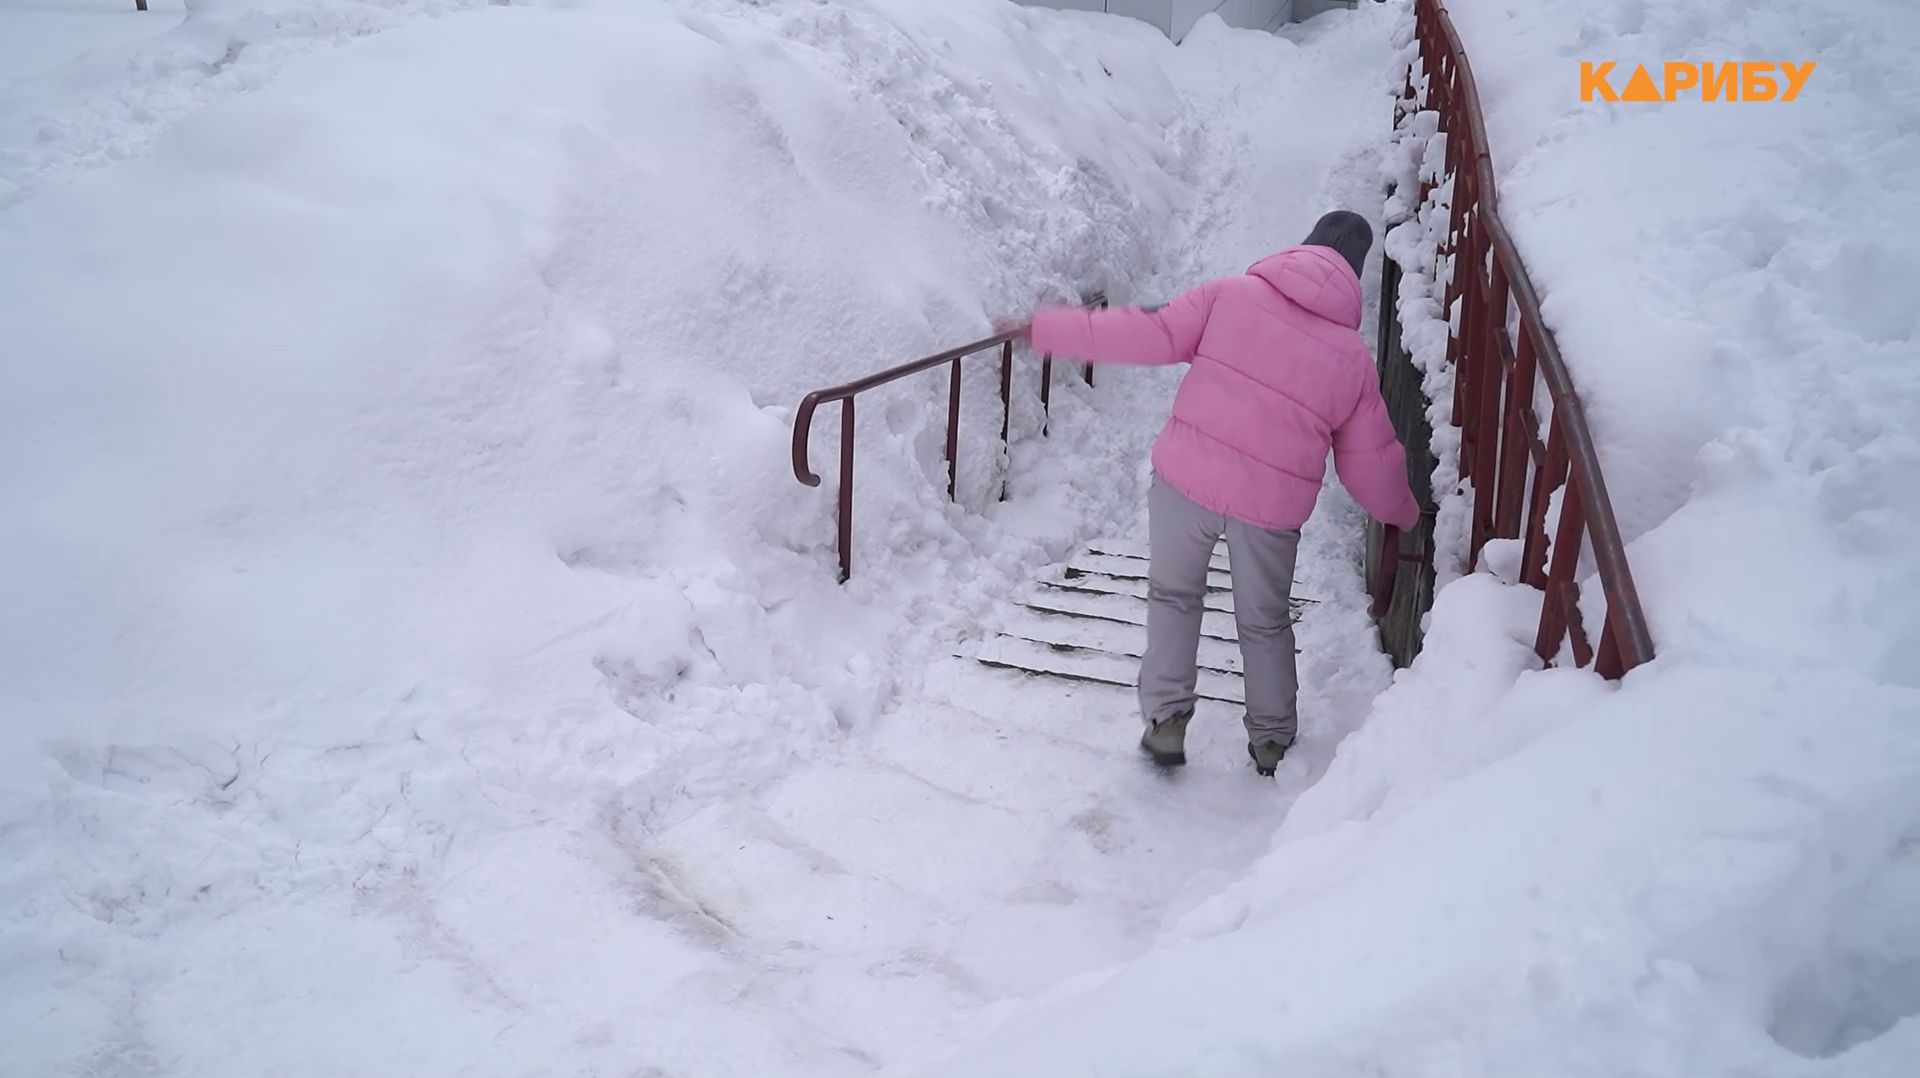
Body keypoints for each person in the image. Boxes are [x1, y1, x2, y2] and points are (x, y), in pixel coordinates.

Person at [1019, 211, 1419, 776]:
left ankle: (1166, 724)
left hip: (1186, 484)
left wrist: (1048, 329)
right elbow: (1370, 465)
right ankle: (1271, 742)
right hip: (1269, 513)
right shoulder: (1352, 360)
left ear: (1301, 246)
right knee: (1264, 621)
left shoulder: (1228, 296)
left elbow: (1143, 332)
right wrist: (1404, 513)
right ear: (1354, 271)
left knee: (1173, 598)